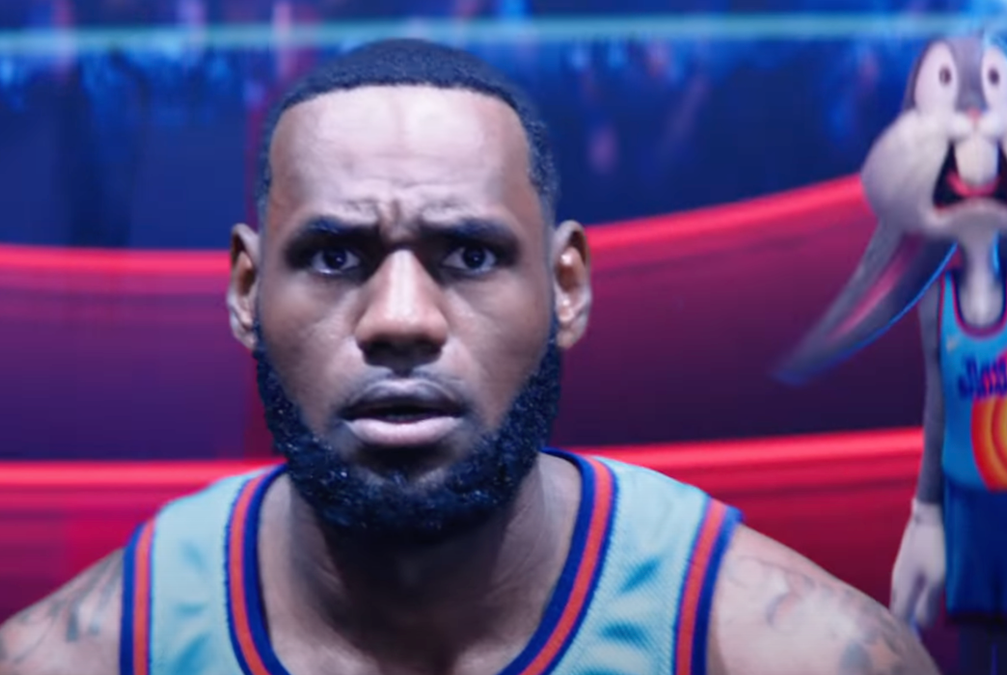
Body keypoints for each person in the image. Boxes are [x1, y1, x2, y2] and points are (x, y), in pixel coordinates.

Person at [0, 39, 940, 675]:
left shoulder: (788, 651)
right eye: (334, 257)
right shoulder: (86, 655)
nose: (402, 319)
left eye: (471, 256)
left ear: (567, 286)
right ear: (247, 290)